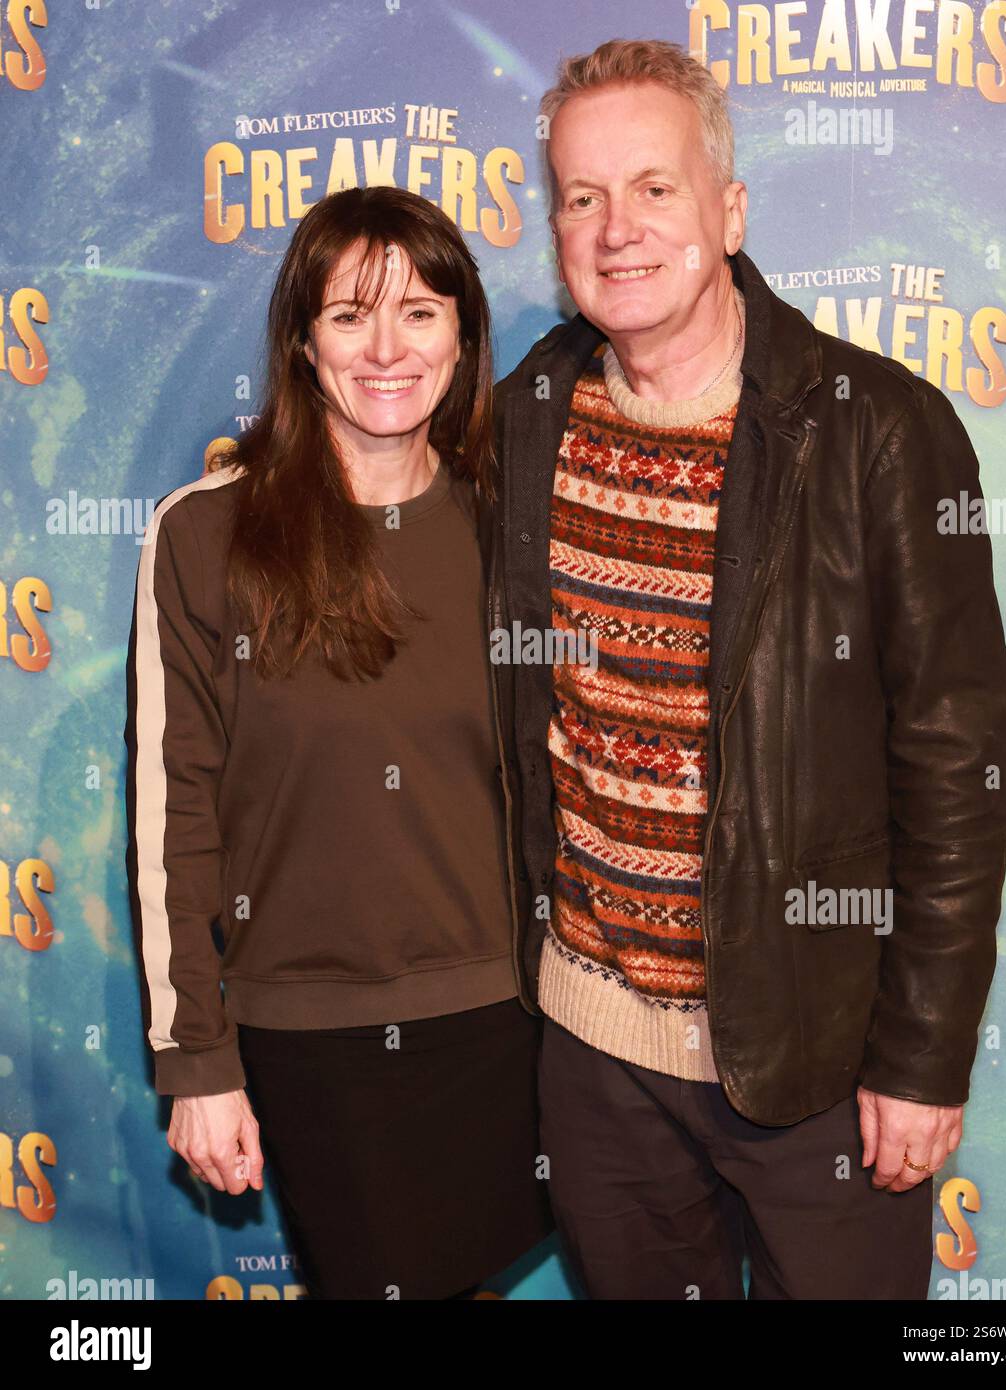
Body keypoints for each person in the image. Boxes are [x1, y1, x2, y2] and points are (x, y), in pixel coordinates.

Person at [490, 38, 1006, 1299]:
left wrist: (922, 1058)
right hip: (590, 1048)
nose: (615, 229)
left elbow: (956, 769)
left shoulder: (877, 430)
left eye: (653, 188)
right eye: (580, 196)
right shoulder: (528, 411)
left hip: (813, 1059)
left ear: (727, 210)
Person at [124, 185, 552, 1300]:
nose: (385, 348)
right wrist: (197, 1061)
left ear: (462, 338)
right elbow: (174, 812)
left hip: (521, 1025)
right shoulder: (206, 532)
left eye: (419, 311)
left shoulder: (509, 523)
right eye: (348, 313)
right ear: (303, 342)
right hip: (318, 1040)